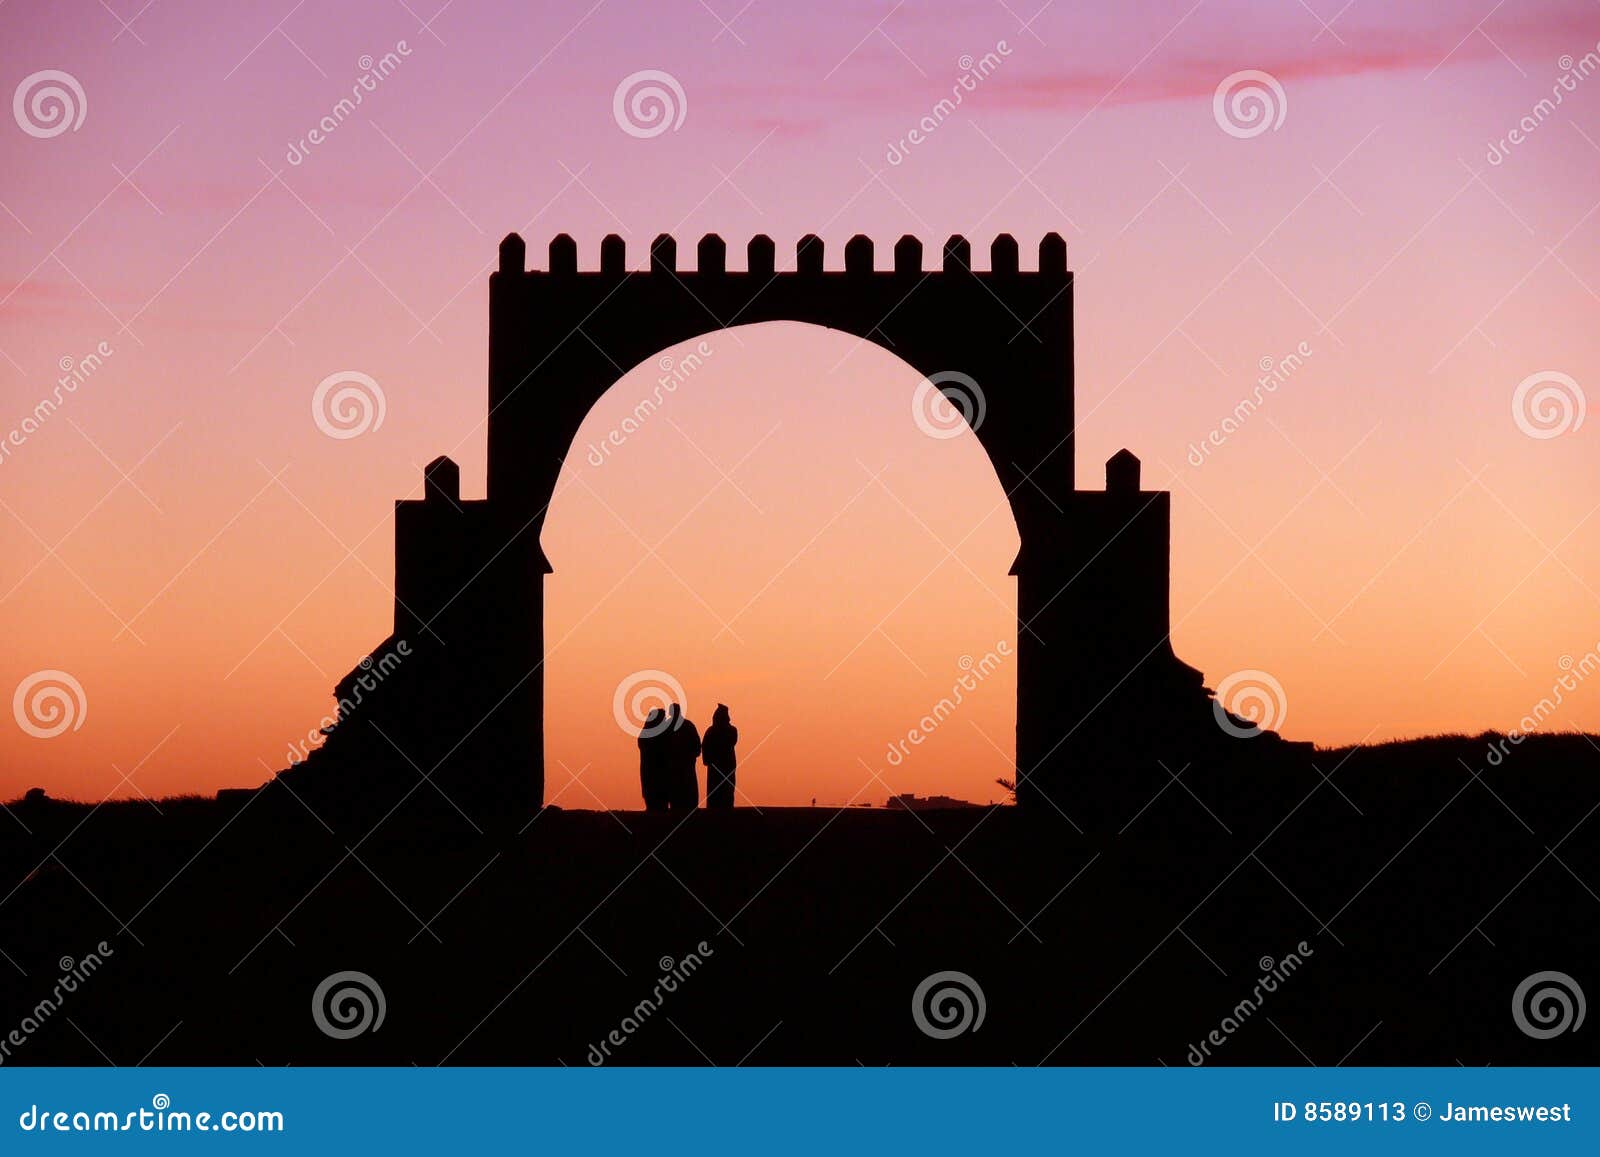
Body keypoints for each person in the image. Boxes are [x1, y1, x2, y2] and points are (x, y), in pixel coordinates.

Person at [702, 704, 738, 809]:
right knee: (716, 792)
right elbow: (704, 746)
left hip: (724, 766)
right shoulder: (713, 731)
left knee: (725, 791)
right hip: (718, 766)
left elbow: (731, 742)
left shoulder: (730, 730)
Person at [665, 703, 701, 810]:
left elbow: (696, 744)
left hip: (681, 763)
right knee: (683, 786)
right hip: (679, 763)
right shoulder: (688, 725)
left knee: (683, 785)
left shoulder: (668, 726)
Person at [637, 708, 670, 811]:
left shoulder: (655, 733)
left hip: (656, 772)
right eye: (662, 718)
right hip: (652, 771)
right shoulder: (650, 733)